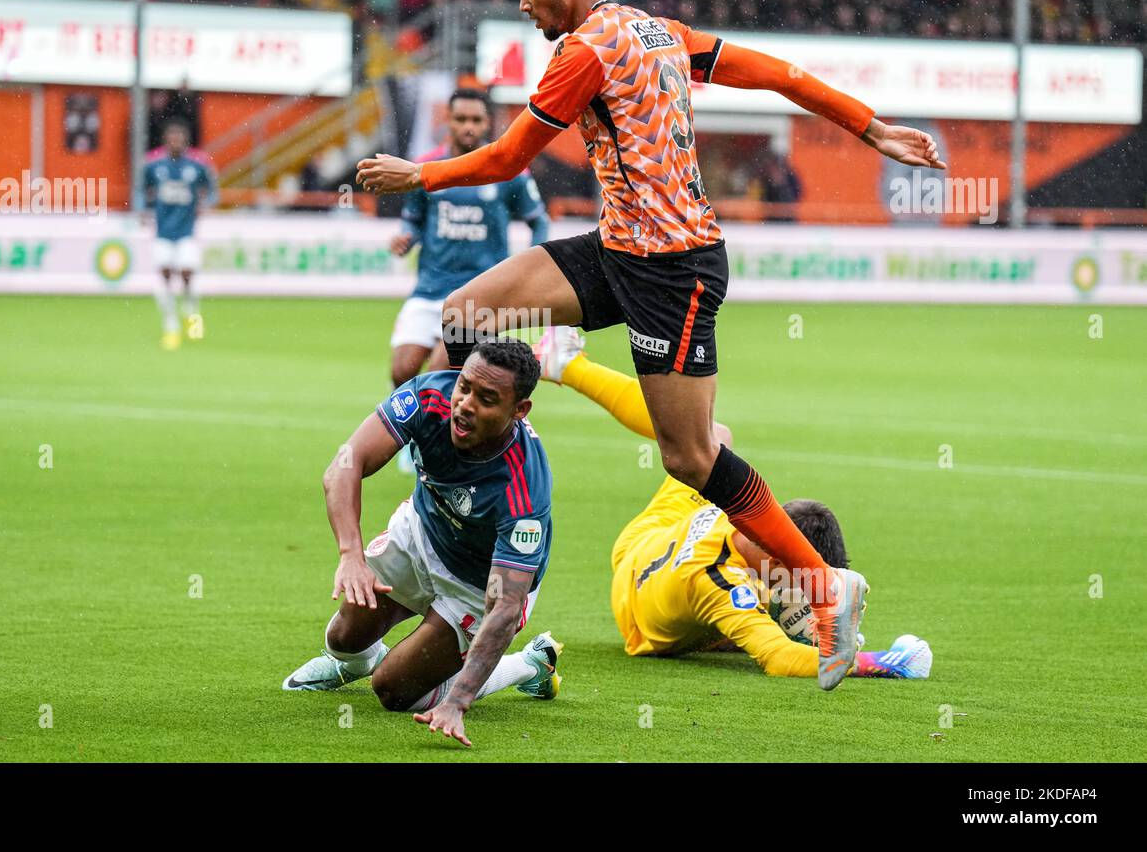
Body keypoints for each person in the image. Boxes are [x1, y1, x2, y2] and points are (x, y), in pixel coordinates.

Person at [357, 0, 946, 689]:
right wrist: (872, 129)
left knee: (690, 455)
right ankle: (473, 467)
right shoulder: (661, 32)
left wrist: (418, 175)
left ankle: (824, 585)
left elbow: (508, 156)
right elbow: (779, 74)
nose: (528, 9)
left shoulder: (585, 51)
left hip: (675, 271)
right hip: (618, 251)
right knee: (466, 312)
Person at [534, 326, 932, 679]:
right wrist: (884, 661)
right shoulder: (723, 585)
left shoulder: (742, 509)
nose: (802, 583)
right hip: (638, 619)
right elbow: (779, 659)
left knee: (712, 441)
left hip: (651, 536)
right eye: (801, 580)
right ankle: (565, 363)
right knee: (771, 618)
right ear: (775, 561)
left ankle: (566, 365)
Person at [284, 340, 559, 748]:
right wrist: (350, 557)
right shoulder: (428, 396)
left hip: (480, 584)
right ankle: (358, 662)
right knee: (343, 640)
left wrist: (459, 701)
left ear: (519, 410)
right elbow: (345, 464)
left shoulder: (524, 491)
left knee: (393, 691)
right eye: (464, 387)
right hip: (421, 533)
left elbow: (505, 606)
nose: (464, 404)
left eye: (486, 399)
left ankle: (530, 664)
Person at [388, 87, 549, 471]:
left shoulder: (507, 170)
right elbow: (413, 216)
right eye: (461, 119)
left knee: (441, 371)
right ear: (449, 121)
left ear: (488, 123)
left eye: (476, 120)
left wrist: (534, 260)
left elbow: (538, 219)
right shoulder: (426, 167)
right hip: (429, 290)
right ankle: (417, 435)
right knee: (402, 369)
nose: (469, 127)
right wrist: (406, 235)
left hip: (478, 298)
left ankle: (433, 448)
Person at [142, 119, 218, 350]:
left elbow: (213, 189)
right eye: (171, 138)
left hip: (186, 231)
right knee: (164, 274)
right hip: (163, 232)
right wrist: (143, 209)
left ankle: (192, 315)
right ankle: (171, 326)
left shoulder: (196, 166)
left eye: (179, 139)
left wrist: (206, 203)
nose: (175, 142)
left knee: (187, 275)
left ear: (185, 141)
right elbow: (141, 189)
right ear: (166, 141)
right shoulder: (154, 166)